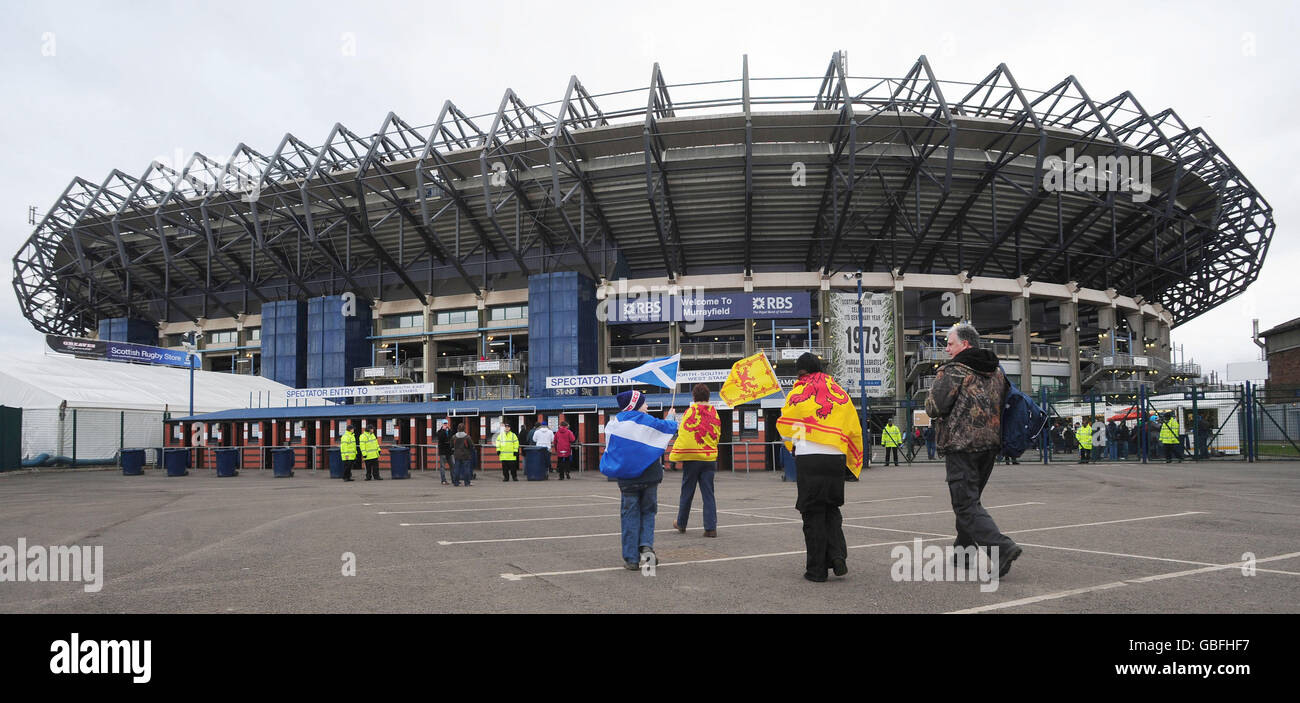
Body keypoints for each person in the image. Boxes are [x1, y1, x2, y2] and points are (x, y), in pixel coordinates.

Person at [924, 323, 1023, 578]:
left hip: (962, 446)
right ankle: (963, 552)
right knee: (970, 501)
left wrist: (931, 392)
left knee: (965, 504)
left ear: (965, 344)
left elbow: (933, 407)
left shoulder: (954, 370)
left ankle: (1001, 548)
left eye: (950, 343)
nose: (947, 348)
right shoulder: (997, 371)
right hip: (989, 445)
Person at [777, 353, 863, 583]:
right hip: (836, 457)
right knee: (831, 509)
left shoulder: (797, 392)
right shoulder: (840, 393)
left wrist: (793, 445)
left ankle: (816, 570)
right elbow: (853, 426)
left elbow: (786, 427)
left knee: (813, 513)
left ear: (801, 372)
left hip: (809, 456)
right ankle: (837, 556)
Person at [600, 390, 677, 571]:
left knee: (629, 516)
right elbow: (669, 428)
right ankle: (646, 547)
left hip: (627, 479)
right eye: (644, 403)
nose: (647, 406)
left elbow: (612, 449)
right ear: (635, 405)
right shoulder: (648, 421)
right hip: (650, 476)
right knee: (648, 513)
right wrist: (672, 416)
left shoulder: (614, 423)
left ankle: (631, 559)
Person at [670, 384, 721, 538]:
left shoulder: (690, 411)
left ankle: (682, 523)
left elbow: (683, 433)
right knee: (708, 493)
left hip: (692, 459)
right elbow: (717, 432)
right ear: (708, 397)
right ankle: (710, 528)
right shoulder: (714, 412)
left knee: (687, 491)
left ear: (694, 397)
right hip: (709, 458)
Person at [451, 422, 474, 486]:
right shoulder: (467, 437)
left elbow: (451, 445)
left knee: (456, 469)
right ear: (464, 429)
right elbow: (471, 446)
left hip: (457, 455)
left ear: (458, 429)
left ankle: (456, 482)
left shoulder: (454, 437)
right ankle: (467, 483)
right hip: (466, 455)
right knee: (466, 469)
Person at [436, 419, 453, 485]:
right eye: (444, 424)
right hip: (442, 451)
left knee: (452, 465)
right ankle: (443, 480)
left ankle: (454, 479)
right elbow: (441, 438)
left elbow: (451, 438)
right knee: (442, 466)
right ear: (442, 424)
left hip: (449, 451)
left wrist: (449, 431)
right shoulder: (439, 432)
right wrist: (443, 430)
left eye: (446, 423)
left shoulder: (450, 431)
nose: (446, 425)